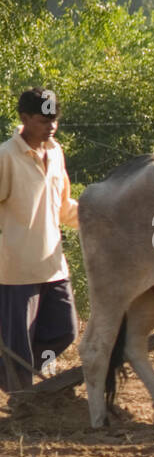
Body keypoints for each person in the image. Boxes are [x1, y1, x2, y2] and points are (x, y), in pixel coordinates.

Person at [0, 87, 80, 394]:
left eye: (54, 119)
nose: (51, 125)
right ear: (24, 119)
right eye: (44, 119)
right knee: (18, 349)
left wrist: (99, 217)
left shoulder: (56, 153)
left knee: (64, 331)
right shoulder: (6, 157)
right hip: (16, 270)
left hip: (53, 266)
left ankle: (20, 381)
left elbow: (64, 208)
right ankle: (22, 403)